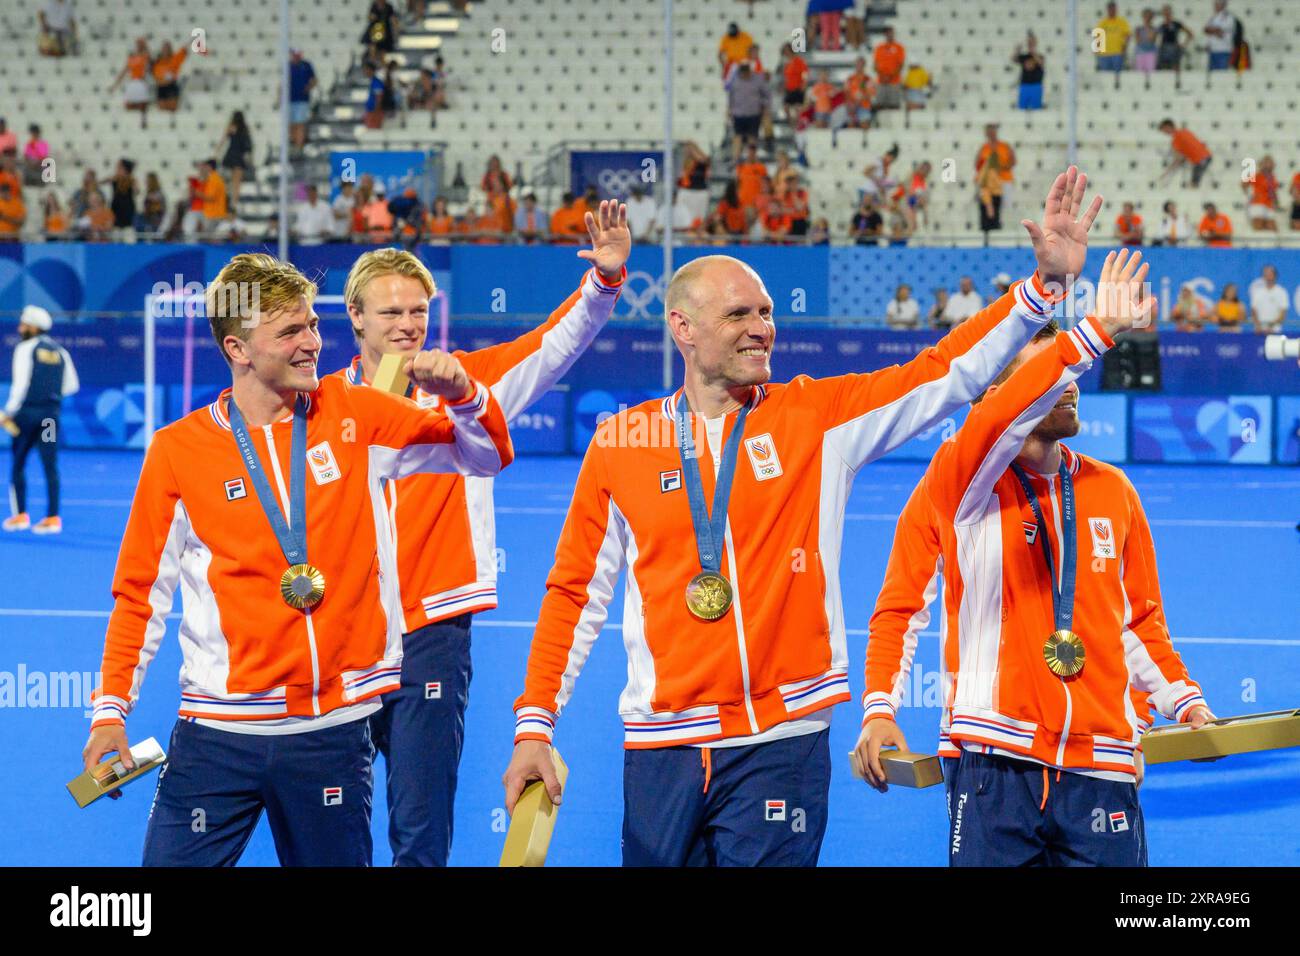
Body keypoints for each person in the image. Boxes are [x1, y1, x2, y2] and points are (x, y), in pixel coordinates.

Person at [502, 167, 1104, 868]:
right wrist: (534, 724)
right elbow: (574, 594)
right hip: (661, 745)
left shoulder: (816, 420)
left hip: (782, 739)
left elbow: (944, 373)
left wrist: (1039, 291)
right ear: (683, 329)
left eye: (766, 313)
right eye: (740, 316)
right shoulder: (620, 443)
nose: (763, 329)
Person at [82, 252, 512, 867]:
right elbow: (139, 595)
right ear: (238, 347)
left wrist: (466, 396)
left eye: (312, 324)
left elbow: (483, 456)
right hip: (217, 735)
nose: (313, 342)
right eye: (290, 331)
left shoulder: (356, 415)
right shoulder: (177, 451)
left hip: (331, 734)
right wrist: (109, 712)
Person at [868, 249, 1211, 865]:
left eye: (1069, 374)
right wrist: (879, 709)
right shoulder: (961, 481)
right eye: (1048, 377)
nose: (1070, 383)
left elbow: (1136, 621)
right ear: (1004, 392)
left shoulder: (1113, 490)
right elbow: (900, 609)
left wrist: (1182, 699)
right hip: (994, 761)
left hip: (1101, 757)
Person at [335, 205, 626, 867]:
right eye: (390, 314)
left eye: (417, 311)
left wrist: (604, 281)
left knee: (420, 818)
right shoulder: (325, 401)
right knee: (335, 815)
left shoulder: (469, 383)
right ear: (355, 317)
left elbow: (556, 343)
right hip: (343, 632)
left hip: (433, 633)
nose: (407, 325)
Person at [1, 306, 79, 534]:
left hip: (26, 415)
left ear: (33, 327)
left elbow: (21, 385)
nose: (19, 328)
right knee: (50, 465)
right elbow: (72, 385)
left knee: (18, 463)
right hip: (50, 417)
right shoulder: (61, 351)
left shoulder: (25, 348)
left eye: (23, 324)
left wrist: (8, 412)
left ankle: (20, 516)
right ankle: (53, 517)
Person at [726, 61, 769, 162]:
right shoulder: (735, 81)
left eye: (746, 72)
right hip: (738, 114)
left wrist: (763, 106)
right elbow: (730, 97)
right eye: (743, 72)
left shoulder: (758, 80)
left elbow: (767, 95)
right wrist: (729, 109)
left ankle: (751, 160)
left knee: (752, 137)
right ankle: (735, 160)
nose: (744, 74)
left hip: (753, 114)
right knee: (737, 137)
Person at [109, 37, 152, 129]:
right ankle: (133, 122)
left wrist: (145, 46)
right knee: (128, 104)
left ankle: (143, 120)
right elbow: (123, 72)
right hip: (133, 82)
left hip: (141, 81)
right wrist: (114, 86)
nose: (139, 46)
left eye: (141, 44)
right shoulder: (131, 58)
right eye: (138, 44)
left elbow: (149, 59)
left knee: (143, 103)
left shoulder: (145, 56)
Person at [976, 123, 1016, 217]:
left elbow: (1013, 161)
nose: (991, 133)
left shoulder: (1005, 146)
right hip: (990, 182)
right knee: (991, 205)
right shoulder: (984, 148)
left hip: (1004, 179)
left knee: (1006, 205)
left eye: (992, 131)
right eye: (989, 131)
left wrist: (1000, 167)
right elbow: (978, 165)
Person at [1158, 118, 1211, 187]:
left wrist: (1166, 173)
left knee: (1194, 184)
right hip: (1203, 157)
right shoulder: (1185, 132)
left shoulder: (1176, 140)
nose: (1164, 132)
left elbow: (1178, 159)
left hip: (1201, 159)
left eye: (1164, 130)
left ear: (1168, 127)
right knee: (1193, 183)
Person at [217, 112, 253, 212]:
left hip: (231, 155)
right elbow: (247, 144)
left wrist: (217, 150)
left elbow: (223, 140)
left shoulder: (231, 127)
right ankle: (234, 203)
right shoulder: (245, 129)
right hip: (239, 156)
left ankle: (229, 202)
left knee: (229, 182)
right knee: (236, 183)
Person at [288, 50, 316, 149]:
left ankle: (298, 146)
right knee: (292, 124)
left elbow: (314, 80)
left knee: (300, 123)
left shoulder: (306, 65)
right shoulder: (288, 66)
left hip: (302, 100)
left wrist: (307, 88)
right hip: (290, 100)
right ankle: (293, 144)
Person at [1244, 155, 1280, 231]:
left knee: (1273, 228)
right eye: (1267, 163)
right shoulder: (1257, 175)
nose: (1269, 165)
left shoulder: (1272, 177)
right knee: (1258, 225)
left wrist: (1277, 203)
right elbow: (1244, 184)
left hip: (1269, 205)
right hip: (1258, 203)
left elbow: (1273, 192)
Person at [1156, 4, 1192, 75]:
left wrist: (1184, 44)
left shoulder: (1176, 23)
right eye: (1164, 12)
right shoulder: (1162, 25)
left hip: (1174, 47)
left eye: (1167, 12)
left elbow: (1190, 34)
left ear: (1171, 12)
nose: (1166, 14)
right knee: (1163, 66)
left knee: (1175, 66)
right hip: (1164, 48)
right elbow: (1156, 37)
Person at [1249, 266, 1287, 334]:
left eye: (1270, 275)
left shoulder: (1281, 292)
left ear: (1275, 276)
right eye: (1266, 275)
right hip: (1259, 330)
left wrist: (1271, 327)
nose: (1268, 277)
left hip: (1275, 330)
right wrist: (1258, 326)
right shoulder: (1257, 292)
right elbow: (1253, 311)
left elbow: (1283, 313)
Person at [152, 40, 188, 112]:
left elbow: (184, 49)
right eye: (164, 48)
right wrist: (161, 81)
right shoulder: (158, 62)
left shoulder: (174, 59)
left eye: (167, 48)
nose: (165, 50)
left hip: (171, 86)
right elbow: (156, 76)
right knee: (162, 110)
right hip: (161, 88)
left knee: (172, 108)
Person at [1095, 2, 1131, 73]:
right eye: (1110, 9)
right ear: (1107, 10)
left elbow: (1128, 35)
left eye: (1113, 8)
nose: (1112, 10)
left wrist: (1124, 46)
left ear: (1116, 9)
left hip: (1117, 53)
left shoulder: (1122, 22)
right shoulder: (1102, 22)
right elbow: (1097, 37)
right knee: (1105, 77)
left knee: (1117, 76)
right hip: (1104, 55)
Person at [1013, 33, 1045, 110]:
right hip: (1024, 85)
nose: (1030, 44)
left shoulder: (1040, 56)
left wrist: (1033, 52)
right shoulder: (1024, 56)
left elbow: (1041, 63)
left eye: (1032, 42)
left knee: (1036, 108)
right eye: (1029, 42)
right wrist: (1017, 50)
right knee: (1021, 108)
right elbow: (1014, 59)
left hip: (1036, 85)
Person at [780, 42, 809, 127]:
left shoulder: (799, 61)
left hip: (798, 88)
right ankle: (791, 123)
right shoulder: (787, 63)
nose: (786, 53)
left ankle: (798, 124)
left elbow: (805, 73)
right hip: (789, 89)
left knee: (797, 107)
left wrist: (804, 84)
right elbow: (786, 76)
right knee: (786, 107)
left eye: (787, 51)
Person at [1204, 0, 1236, 71]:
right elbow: (1206, 30)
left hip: (1223, 51)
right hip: (1213, 51)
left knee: (1221, 76)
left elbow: (1219, 30)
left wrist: (1212, 30)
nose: (1215, 5)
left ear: (1223, 5)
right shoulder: (1213, 17)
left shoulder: (1228, 17)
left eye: (1217, 3)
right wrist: (1213, 31)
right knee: (1212, 77)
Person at [844, 57, 875, 128]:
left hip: (864, 106)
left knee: (865, 125)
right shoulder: (850, 79)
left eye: (861, 65)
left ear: (864, 66)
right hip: (851, 106)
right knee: (850, 126)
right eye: (857, 64)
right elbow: (846, 93)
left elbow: (870, 94)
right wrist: (850, 104)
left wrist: (859, 101)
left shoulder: (867, 79)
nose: (859, 66)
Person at [1133, 8, 1158, 83]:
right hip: (1140, 53)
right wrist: (1147, 37)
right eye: (1146, 16)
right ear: (1143, 17)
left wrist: (1146, 37)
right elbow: (1138, 41)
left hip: (1151, 53)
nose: (1148, 18)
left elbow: (1152, 40)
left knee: (1151, 73)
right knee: (1139, 75)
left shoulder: (1154, 29)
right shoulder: (1138, 28)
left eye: (1149, 16)